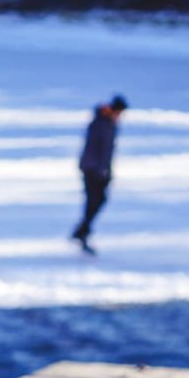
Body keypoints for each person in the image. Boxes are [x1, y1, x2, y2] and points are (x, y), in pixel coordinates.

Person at [71, 93, 127, 256]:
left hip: (101, 171)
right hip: (92, 170)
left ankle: (82, 231)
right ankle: (82, 232)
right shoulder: (100, 123)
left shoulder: (109, 123)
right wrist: (96, 169)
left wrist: (106, 170)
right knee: (94, 201)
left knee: (99, 200)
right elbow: (92, 148)